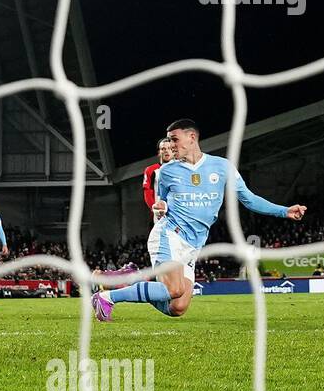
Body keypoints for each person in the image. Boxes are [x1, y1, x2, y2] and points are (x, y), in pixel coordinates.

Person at [92, 119, 305, 321]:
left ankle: (133, 280)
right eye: (168, 141)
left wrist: (284, 211)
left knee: (177, 307)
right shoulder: (166, 171)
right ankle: (106, 298)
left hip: (193, 245)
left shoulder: (222, 167)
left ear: (191, 137)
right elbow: (162, 202)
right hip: (169, 235)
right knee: (173, 289)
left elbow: (248, 199)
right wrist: (162, 207)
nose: (170, 145)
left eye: (174, 139)